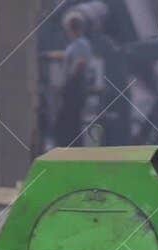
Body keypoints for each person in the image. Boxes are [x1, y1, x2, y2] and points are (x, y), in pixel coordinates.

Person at [53, 8, 95, 147]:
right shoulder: (78, 44)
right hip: (75, 87)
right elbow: (70, 56)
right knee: (72, 121)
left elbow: (80, 63)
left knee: (69, 121)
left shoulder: (80, 44)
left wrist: (68, 82)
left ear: (71, 28)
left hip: (74, 88)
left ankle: (72, 148)